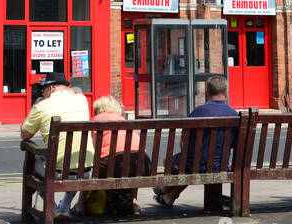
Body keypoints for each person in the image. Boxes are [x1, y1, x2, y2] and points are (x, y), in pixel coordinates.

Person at [154, 75, 237, 211]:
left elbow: (183, 143)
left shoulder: (197, 112)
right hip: (220, 166)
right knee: (194, 164)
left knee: (171, 161)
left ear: (207, 93)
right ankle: (169, 196)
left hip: (194, 165)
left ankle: (163, 189)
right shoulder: (234, 115)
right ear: (226, 93)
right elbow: (235, 144)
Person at [20, 71, 91, 219]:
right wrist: (66, 87)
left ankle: (51, 206)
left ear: (51, 88)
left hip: (57, 173)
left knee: (34, 161)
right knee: (75, 160)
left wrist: (34, 106)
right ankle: (64, 206)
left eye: (43, 89)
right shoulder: (83, 100)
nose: (42, 92)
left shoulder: (42, 106)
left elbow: (25, 134)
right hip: (85, 171)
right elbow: (71, 92)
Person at [92, 95, 146, 216]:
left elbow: (96, 151)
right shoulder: (125, 120)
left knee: (94, 168)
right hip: (142, 165)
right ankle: (134, 201)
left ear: (99, 109)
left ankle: (80, 204)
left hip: (114, 165)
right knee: (131, 164)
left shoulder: (97, 119)